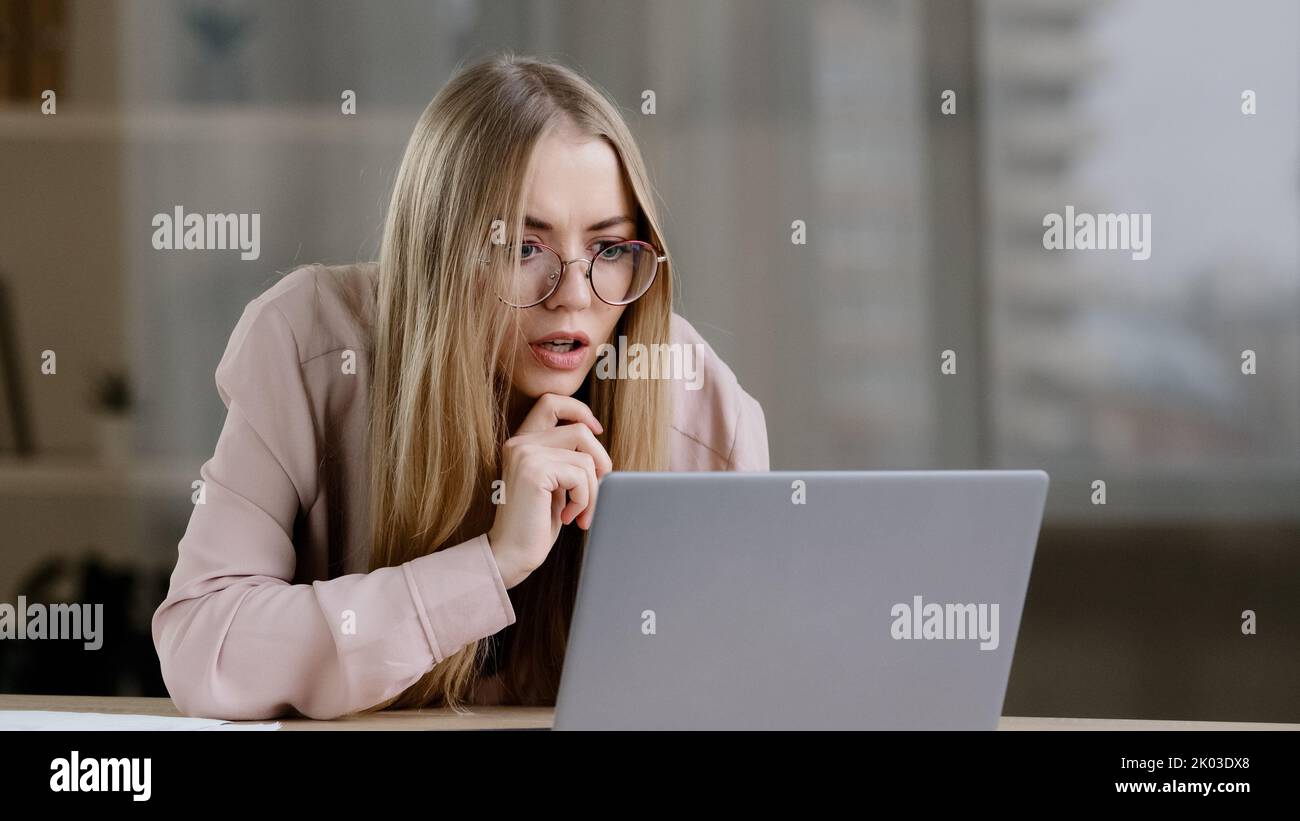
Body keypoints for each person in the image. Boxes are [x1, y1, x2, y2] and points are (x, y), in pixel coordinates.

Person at [152, 54, 769, 721]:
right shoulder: (309, 341)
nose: (572, 298)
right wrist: (492, 564)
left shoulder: (694, 394)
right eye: (521, 249)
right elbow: (204, 646)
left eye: (610, 250)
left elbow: (748, 687)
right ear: (441, 251)